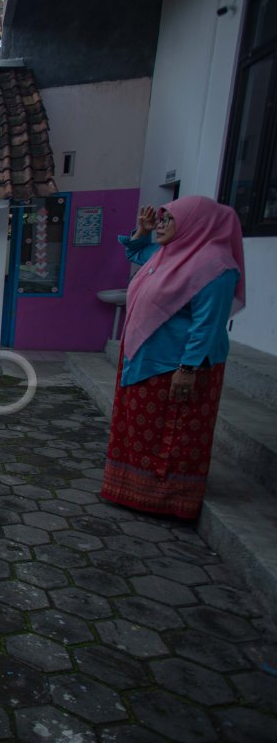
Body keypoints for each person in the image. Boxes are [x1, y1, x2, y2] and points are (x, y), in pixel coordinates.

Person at [101, 198, 245, 520]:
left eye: (169, 220)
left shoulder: (216, 267)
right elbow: (136, 252)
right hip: (145, 357)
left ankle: (166, 498)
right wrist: (142, 230)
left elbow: (207, 323)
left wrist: (188, 367)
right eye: (161, 219)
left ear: (198, 223)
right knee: (139, 426)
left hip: (177, 364)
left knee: (171, 430)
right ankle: (130, 489)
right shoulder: (166, 256)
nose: (161, 225)